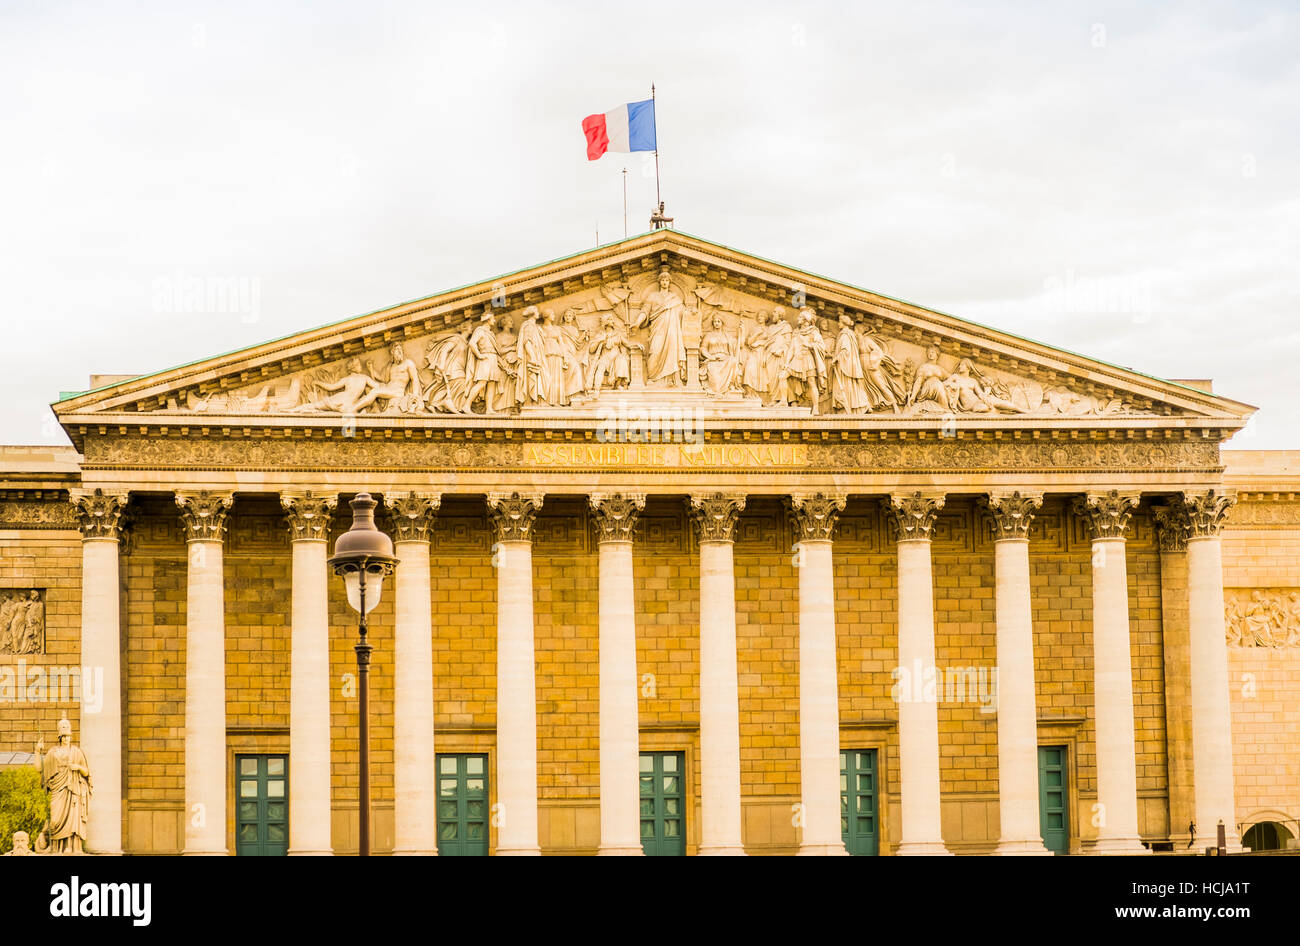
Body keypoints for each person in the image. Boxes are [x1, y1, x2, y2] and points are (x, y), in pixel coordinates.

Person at [37, 717, 91, 856]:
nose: (67, 739)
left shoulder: (76, 752)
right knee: (55, 819)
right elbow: (39, 768)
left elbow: (86, 772)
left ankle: (71, 847)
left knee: (73, 818)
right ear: (60, 736)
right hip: (57, 788)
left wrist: (77, 767)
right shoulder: (53, 752)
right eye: (64, 736)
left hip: (73, 789)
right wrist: (37, 751)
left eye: (68, 736)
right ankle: (57, 848)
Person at [633, 268, 688, 385]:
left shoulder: (675, 298)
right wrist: (637, 323)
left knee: (673, 351)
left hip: (672, 331)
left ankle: (670, 379)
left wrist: (693, 313)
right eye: (662, 279)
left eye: (667, 280)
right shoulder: (653, 296)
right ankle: (653, 378)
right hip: (657, 330)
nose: (664, 282)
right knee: (655, 351)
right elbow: (645, 311)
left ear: (669, 282)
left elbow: (684, 313)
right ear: (659, 281)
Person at [288, 358, 379, 415]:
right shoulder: (364, 378)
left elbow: (331, 387)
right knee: (316, 406)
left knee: (315, 405)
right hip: (348, 404)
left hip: (339, 398)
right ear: (354, 367)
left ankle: (292, 411)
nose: (361, 366)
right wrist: (371, 371)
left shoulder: (347, 379)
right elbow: (377, 387)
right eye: (359, 364)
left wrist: (318, 382)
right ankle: (292, 411)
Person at [463, 313, 512, 414]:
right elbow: (472, 343)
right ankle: (466, 405)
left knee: (491, 384)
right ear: (488, 319)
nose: (494, 321)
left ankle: (489, 408)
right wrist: (479, 355)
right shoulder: (480, 330)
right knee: (482, 382)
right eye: (493, 319)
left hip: (493, 358)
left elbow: (498, 351)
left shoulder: (490, 333)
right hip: (485, 358)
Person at [422, 325, 472, 413]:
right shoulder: (457, 339)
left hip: (461, 368)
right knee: (461, 384)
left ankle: (436, 402)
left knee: (453, 386)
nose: (472, 328)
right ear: (465, 328)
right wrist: (441, 364)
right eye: (470, 326)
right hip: (453, 367)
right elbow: (444, 350)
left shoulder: (466, 342)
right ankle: (450, 405)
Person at [829, 314, 870, 413]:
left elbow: (845, 351)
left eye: (839, 322)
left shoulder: (845, 335)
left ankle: (850, 406)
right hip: (848, 366)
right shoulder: (849, 335)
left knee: (846, 385)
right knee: (850, 386)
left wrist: (836, 359)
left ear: (843, 323)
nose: (838, 324)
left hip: (845, 367)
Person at [514, 306, 548, 406]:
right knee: (532, 376)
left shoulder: (535, 326)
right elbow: (527, 342)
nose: (538, 313)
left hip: (538, 354)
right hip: (532, 355)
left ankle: (538, 399)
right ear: (532, 313)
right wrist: (532, 357)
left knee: (541, 376)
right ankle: (533, 401)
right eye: (537, 311)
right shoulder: (528, 326)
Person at [700, 315, 741, 395]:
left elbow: (739, 345)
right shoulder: (709, 335)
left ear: (722, 323)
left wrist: (741, 331)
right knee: (716, 384)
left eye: (718, 321)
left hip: (726, 360)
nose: (716, 323)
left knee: (733, 361)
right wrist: (711, 357)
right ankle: (717, 391)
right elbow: (703, 349)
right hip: (713, 361)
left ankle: (730, 385)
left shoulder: (727, 336)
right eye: (715, 321)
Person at [907, 346, 952, 414]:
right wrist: (913, 396)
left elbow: (950, 377)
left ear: (937, 354)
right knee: (938, 384)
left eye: (932, 352)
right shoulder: (924, 367)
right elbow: (918, 381)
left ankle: (944, 407)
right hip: (927, 388)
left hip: (939, 387)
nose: (930, 354)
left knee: (940, 386)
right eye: (928, 352)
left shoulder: (940, 369)